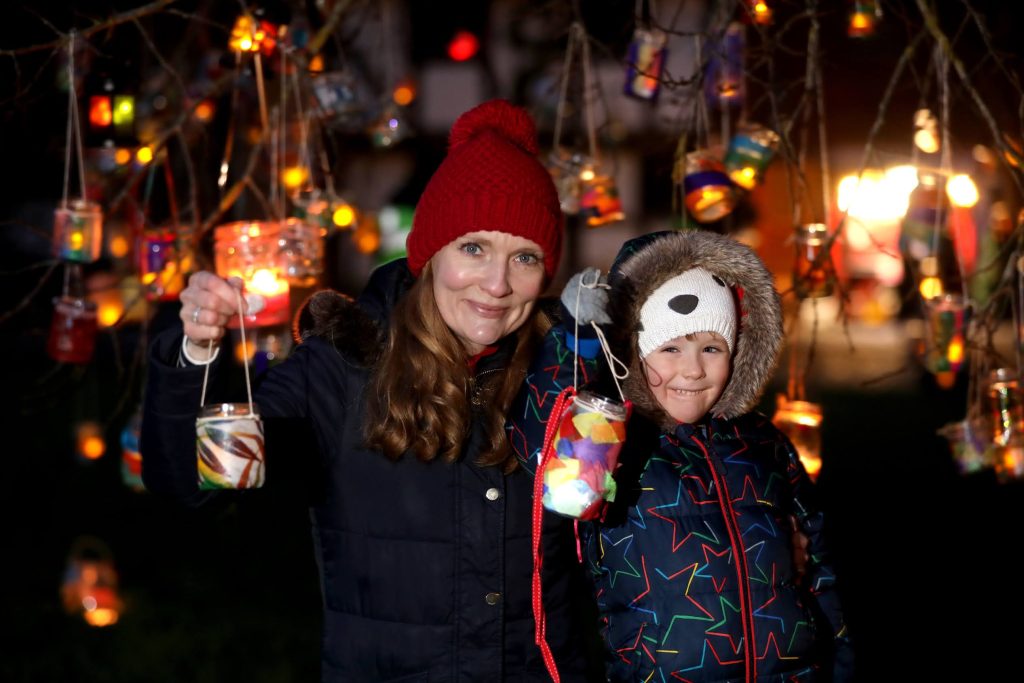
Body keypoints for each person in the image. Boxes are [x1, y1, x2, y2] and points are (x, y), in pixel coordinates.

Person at [140, 99, 596, 682]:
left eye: (525, 257)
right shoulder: (343, 366)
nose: (498, 284)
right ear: (430, 255)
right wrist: (197, 351)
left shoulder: (566, 373)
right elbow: (190, 482)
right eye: (474, 248)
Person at [509, 229, 854, 682]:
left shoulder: (764, 443)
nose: (692, 369)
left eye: (712, 348)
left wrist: (842, 664)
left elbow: (822, 569)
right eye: (670, 348)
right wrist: (574, 345)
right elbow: (538, 444)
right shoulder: (609, 442)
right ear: (631, 351)